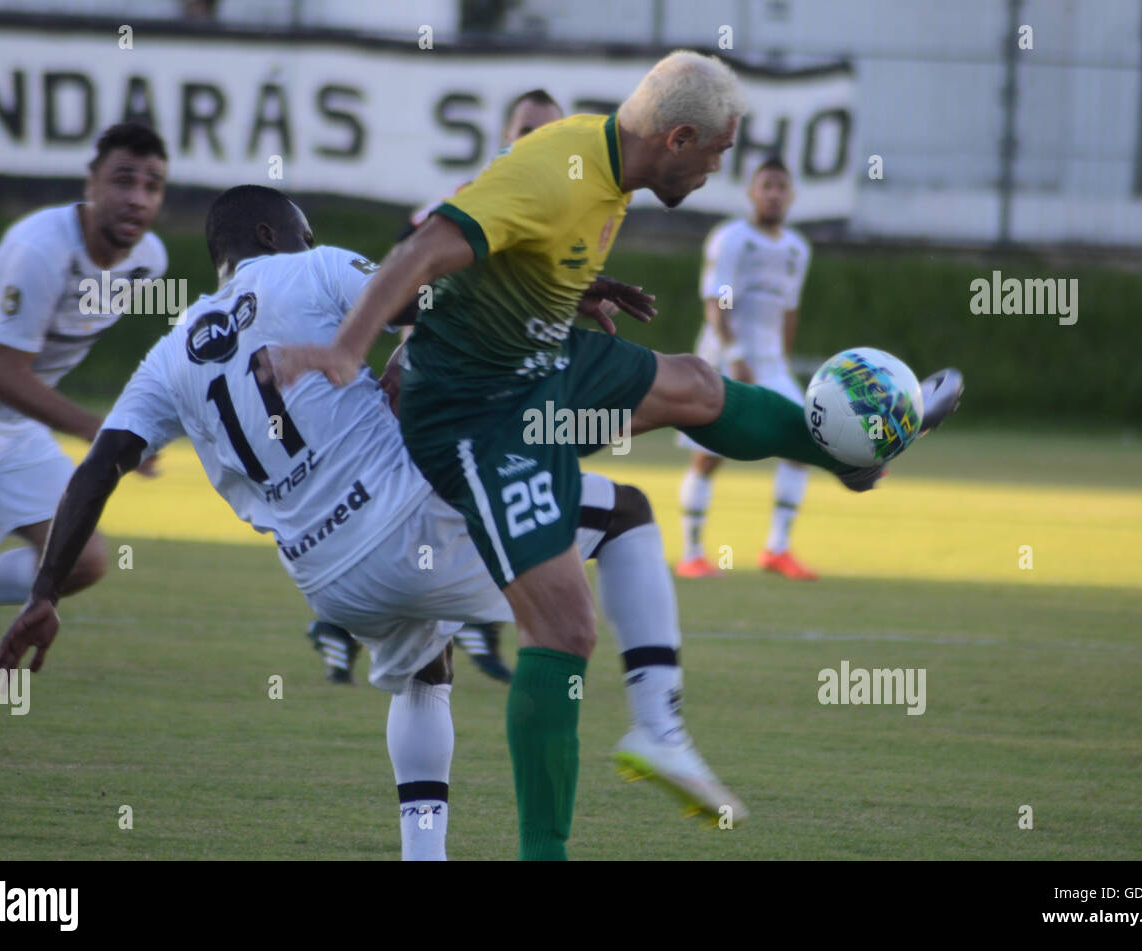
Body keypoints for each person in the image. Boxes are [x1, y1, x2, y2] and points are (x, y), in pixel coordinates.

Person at [260, 51, 962, 860]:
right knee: (563, 627)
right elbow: (428, 246)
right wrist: (349, 351)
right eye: (718, 153)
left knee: (697, 383)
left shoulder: (606, 166)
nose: (719, 169)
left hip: (542, 364)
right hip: (478, 415)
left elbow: (506, 244)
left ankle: (841, 455)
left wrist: (572, 286)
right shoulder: (560, 171)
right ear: (679, 137)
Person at [0, 185, 746, 862]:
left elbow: (97, 467)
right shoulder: (312, 270)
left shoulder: (166, 356)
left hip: (331, 580)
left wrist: (45, 589)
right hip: (412, 517)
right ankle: (658, 721)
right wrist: (560, 288)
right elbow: (430, 298)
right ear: (271, 235)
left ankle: (424, 853)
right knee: (627, 512)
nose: (313, 244)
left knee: (425, 665)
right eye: (304, 232)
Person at [308, 88, 568, 685]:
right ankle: (348, 618)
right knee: (441, 516)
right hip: (439, 392)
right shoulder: (458, 207)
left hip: (504, 392)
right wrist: (425, 337)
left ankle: (465, 631)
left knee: (484, 513)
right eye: (524, 129)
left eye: (547, 133)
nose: (533, 142)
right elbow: (400, 291)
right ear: (505, 137)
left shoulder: (560, 218)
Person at [0, 122, 168, 625]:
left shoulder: (149, 261)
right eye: (123, 181)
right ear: (91, 183)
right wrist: (96, 430)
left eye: (152, 186)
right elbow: (1, 372)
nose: (137, 199)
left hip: (11, 420)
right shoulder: (41, 249)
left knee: (79, 561)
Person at [676, 156, 818, 581]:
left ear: (791, 196)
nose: (773, 194)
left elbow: (789, 310)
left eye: (781, 187)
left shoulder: (797, 249)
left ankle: (777, 548)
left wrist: (783, 362)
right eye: (766, 186)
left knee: (805, 444)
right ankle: (692, 553)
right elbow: (716, 300)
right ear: (752, 193)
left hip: (771, 365)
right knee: (708, 457)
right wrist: (734, 352)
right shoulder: (731, 238)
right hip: (725, 359)